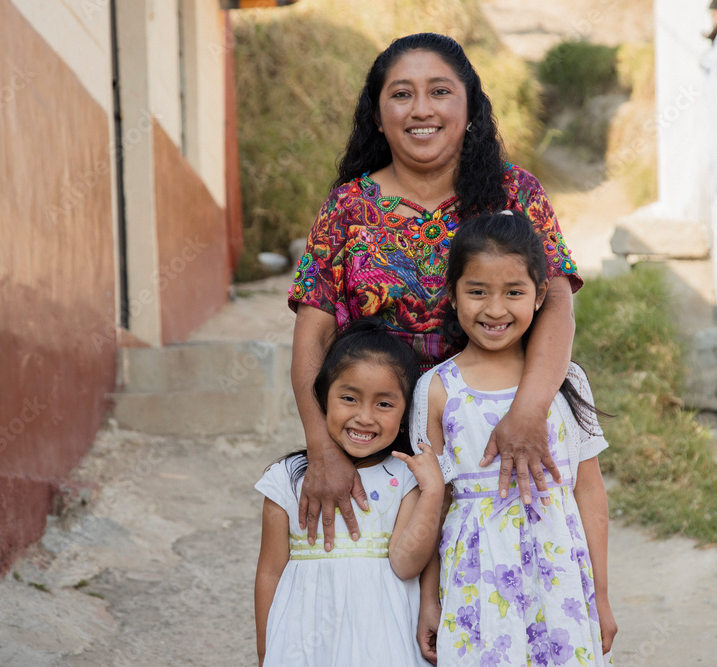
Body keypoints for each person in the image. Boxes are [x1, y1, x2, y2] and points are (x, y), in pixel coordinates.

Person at [289, 32, 584, 552]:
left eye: (440, 91)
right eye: (401, 94)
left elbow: (556, 302)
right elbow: (312, 338)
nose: (420, 109)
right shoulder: (347, 208)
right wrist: (323, 450)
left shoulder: (516, 195)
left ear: (470, 106)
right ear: (377, 116)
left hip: (494, 438)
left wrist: (528, 412)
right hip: (380, 448)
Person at [411, 211, 616, 665]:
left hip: (560, 578)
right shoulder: (439, 389)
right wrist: (428, 600)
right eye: (477, 291)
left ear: (541, 295)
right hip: (475, 582)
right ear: (452, 294)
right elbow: (431, 500)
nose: (495, 309)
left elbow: (589, 491)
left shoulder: (565, 382)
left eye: (514, 292)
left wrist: (600, 596)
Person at [254, 319, 445, 666]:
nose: (364, 417)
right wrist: (266, 651)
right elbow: (269, 571)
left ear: (405, 414)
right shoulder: (287, 478)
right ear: (323, 397)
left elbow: (407, 564)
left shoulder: (405, 477)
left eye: (384, 404)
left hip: (384, 642)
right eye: (348, 398)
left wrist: (433, 491)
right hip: (305, 640)